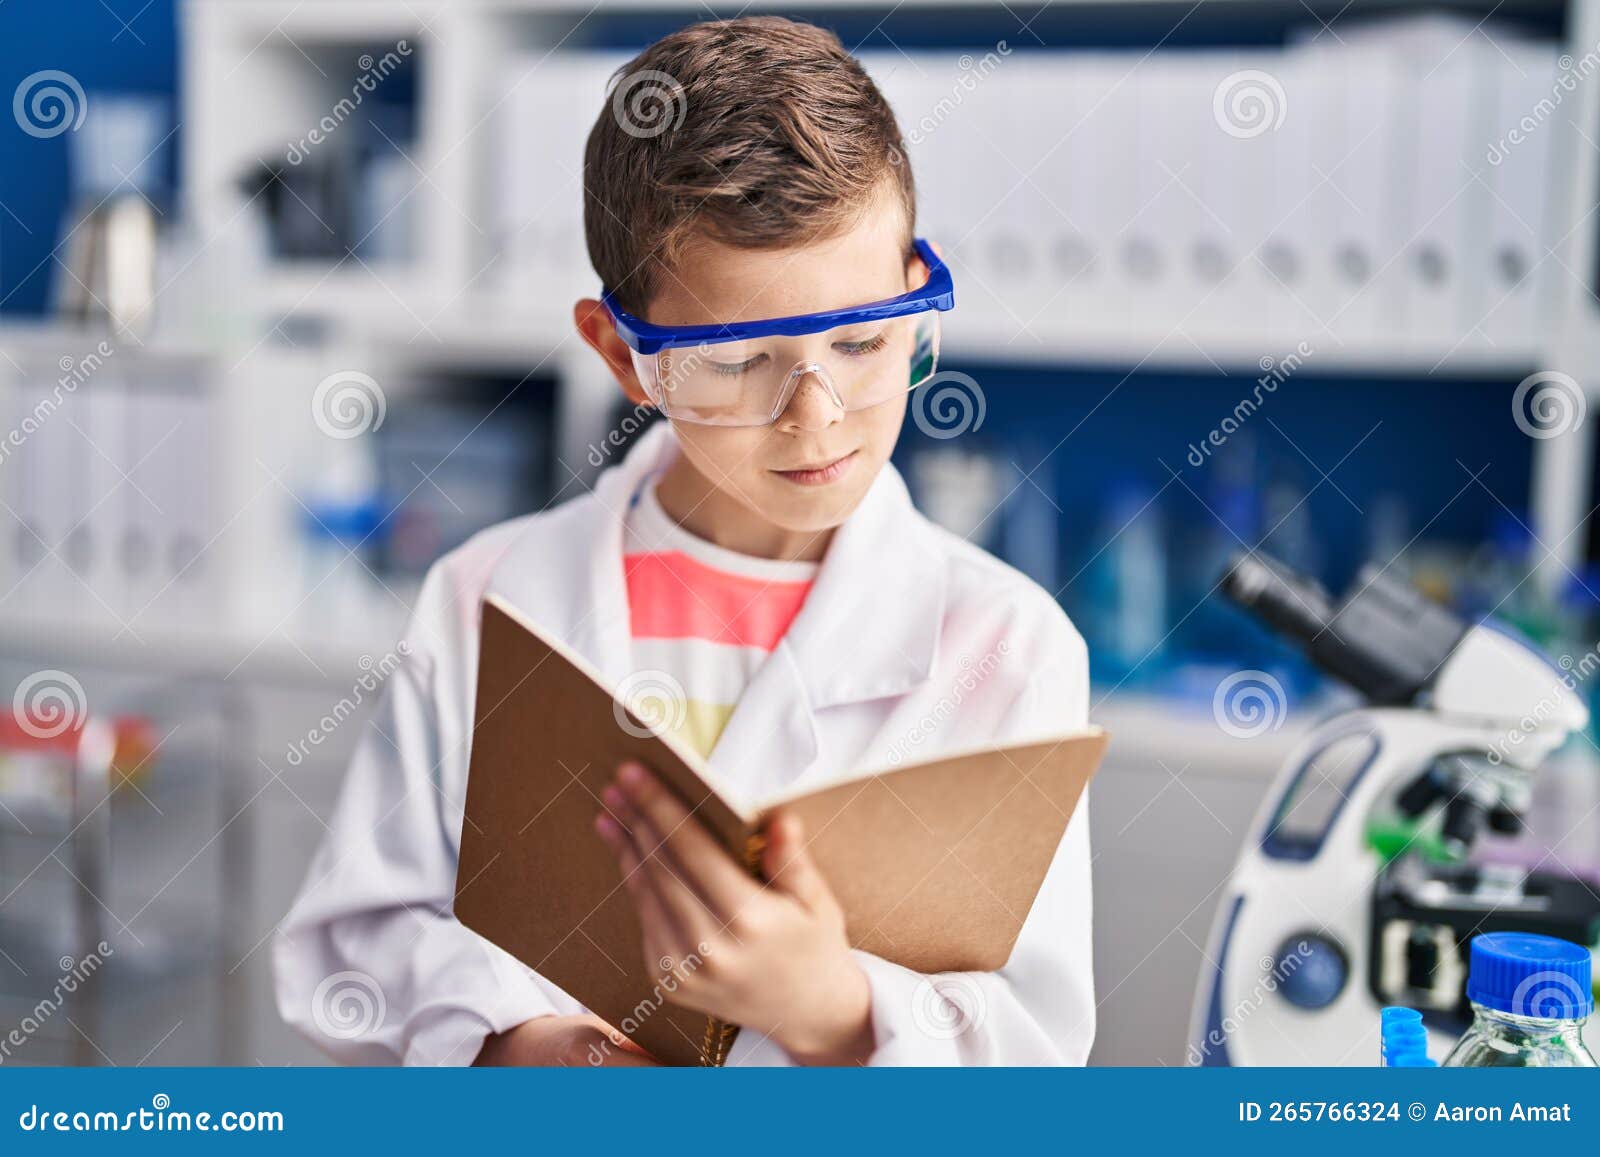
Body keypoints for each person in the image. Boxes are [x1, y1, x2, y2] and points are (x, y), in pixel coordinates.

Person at [275, 15, 1093, 1067]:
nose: (817, 414)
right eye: (740, 360)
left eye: (863, 340)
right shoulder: (487, 597)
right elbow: (356, 944)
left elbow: (1037, 1046)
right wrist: (518, 1040)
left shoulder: (1007, 646)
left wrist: (837, 1010)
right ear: (625, 355)